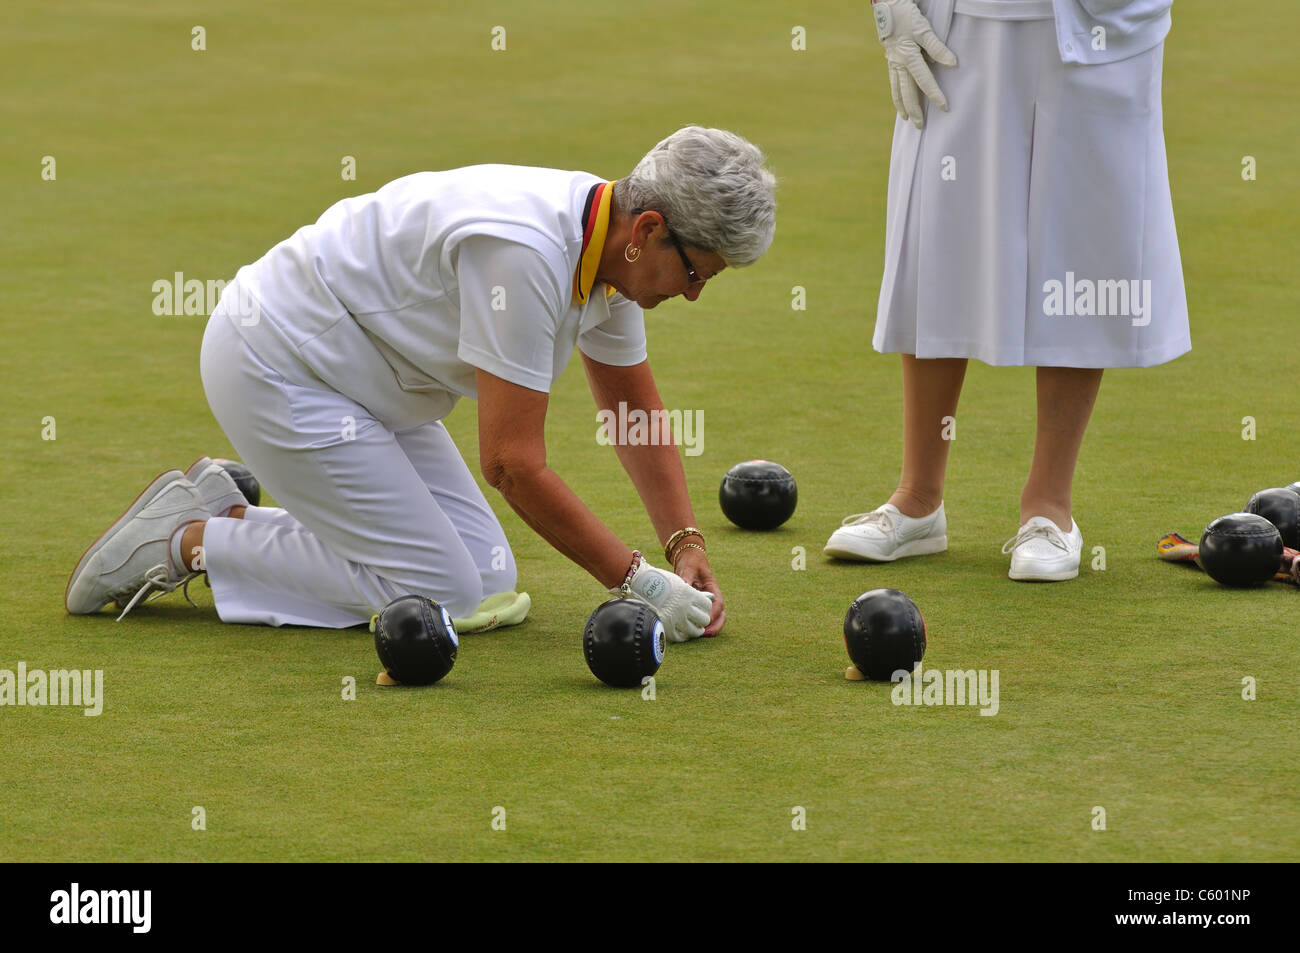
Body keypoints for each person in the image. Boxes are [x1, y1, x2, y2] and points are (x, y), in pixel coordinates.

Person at [66, 126, 777, 643]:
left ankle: (231, 514)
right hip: (276, 361)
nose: (692, 297)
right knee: (440, 589)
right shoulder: (526, 255)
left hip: (373, 386)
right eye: (695, 273)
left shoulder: (608, 255)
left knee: (490, 575)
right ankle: (190, 538)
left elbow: (631, 411)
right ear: (648, 228)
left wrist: (686, 544)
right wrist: (635, 580)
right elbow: (511, 462)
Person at [826, 0, 1188, 580]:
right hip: (955, 24)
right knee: (939, 233)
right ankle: (917, 499)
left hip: (1093, 23)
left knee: (1082, 250)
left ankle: (1049, 507)